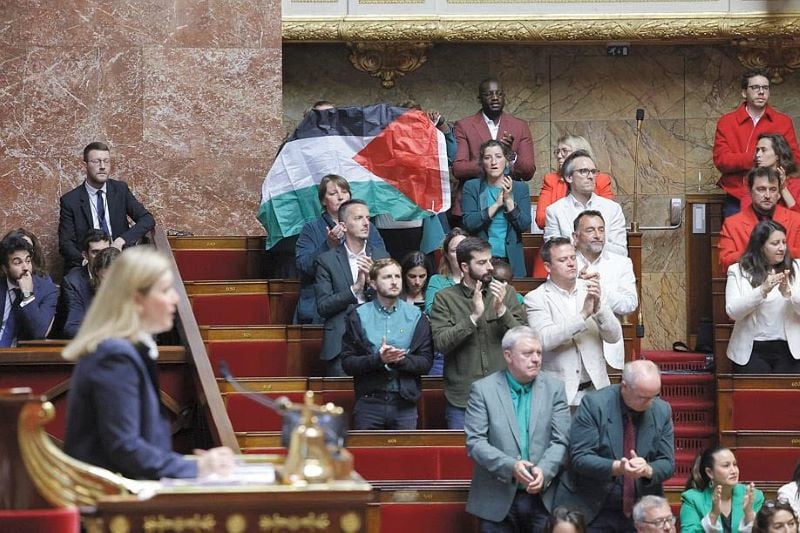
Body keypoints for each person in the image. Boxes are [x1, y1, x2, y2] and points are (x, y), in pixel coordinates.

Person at [62, 247, 235, 480]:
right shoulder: (115, 356)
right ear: (137, 299)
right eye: (165, 291)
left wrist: (189, 464)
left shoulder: (129, 348)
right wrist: (195, 469)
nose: (175, 298)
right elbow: (124, 448)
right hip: (112, 505)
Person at [464, 326, 570, 531]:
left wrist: (544, 471)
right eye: (528, 353)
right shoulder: (483, 390)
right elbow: (475, 443)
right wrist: (511, 466)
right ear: (508, 355)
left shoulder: (554, 388)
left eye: (539, 353)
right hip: (496, 497)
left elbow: (561, 440)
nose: (536, 359)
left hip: (542, 496)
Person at [554, 360, 675, 532]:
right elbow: (580, 457)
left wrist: (647, 469)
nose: (649, 403)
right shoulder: (595, 405)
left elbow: (667, 463)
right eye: (642, 397)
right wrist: (618, 467)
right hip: (592, 504)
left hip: (640, 510)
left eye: (654, 396)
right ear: (624, 386)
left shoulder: (662, 410)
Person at [430, 237, 527, 429]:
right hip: (464, 399)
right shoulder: (444, 299)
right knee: (461, 458)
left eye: (490, 260)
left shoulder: (506, 294)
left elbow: (523, 341)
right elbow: (441, 343)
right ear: (465, 267)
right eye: (482, 263)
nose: (489, 267)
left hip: (505, 394)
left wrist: (501, 312)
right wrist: (473, 317)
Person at [524, 238, 623, 406]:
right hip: (558, 396)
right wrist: (583, 315)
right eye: (563, 260)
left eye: (572, 258)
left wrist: (599, 309)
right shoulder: (535, 298)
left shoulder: (591, 288)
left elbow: (614, 336)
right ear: (548, 267)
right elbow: (544, 340)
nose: (570, 264)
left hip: (597, 391)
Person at [340, 258, 433, 430]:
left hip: (404, 403)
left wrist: (399, 360)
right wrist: (379, 359)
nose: (394, 282)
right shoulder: (357, 315)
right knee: (368, 456)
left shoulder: (417, 316)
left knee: (406, 456)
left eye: (397, 276)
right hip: (369, 401)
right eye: (387, 277)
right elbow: (348, 363)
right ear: (373, 283)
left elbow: (426, 362)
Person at [294, 174, 386, 324]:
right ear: (323, 200)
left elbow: (384, 261)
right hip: (324, 306)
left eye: (344, 192)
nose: (340, 197)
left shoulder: (367, 227)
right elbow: (303, 267)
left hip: (366, 302)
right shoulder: (311, 229)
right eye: (333, 193)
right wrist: (328, 244)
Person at [315, 199, 389, 377]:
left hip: (377, 341)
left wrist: (373, 284)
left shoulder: (381, 257)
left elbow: (394, 301)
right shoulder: (327, 260)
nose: (366, 223)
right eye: (358, 218)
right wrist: (354, 289)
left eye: (368, 218)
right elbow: (323, 307)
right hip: (341, 344)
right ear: (344, 226)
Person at [713, 67, 800, 217]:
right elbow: (721, 160)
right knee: (737, 238)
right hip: (737, 195)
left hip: (774, 197)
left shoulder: (783, 121)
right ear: (744, 92)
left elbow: (794, 158)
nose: (761, 92)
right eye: (755, 87)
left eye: (765, 88)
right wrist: (756, 159)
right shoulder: (727, 122)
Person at [58, 142, 155, 270]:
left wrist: (121, 241)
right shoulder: (70, 200)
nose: (102, 166)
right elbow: (66, 243)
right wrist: (87, 263)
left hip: (120, 263)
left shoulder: (120, 190)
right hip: (88, 267)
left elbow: (147, 219)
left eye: (106, 161)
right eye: (96, 162)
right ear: (85, 166)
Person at [725, 219, 800, 373]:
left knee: (789, 395)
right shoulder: (738, 271)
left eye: (783, 242)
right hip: (751, 349)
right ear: (760, 247)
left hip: (790, 349)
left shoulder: (797, 268)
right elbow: (733, 312)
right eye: (775, 243)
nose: (782, 248)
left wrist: (789, 294)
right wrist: (762, 291)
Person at [572, 210, 637, 368]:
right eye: (590, 230)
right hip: (573, 347)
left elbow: (630, 303)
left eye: (601, 229)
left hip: (609, 351)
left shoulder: (621, 263)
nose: (597, 235)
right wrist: (578, 285)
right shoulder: (565, 263)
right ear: (575, 237)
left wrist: (601, 292)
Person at [462, 139, 533, 277]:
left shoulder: (520, 188)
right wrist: (496, 205)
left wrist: (509, 202)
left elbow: (524, 225)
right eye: (488, 158)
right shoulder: (472, 187)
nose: (493, 162)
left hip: (511, 259)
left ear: (506, 161)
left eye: (498, 157)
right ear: (482, 162)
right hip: (481, 259)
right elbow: (469, 223)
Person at [544, 150, 628, 257]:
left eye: (593, 171)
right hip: (572, 271)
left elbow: (621, 251)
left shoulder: (612, 209)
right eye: (583, 171)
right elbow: (554, 253)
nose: (591, 176)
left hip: (606, 271)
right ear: (569, 177)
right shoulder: (555, 211)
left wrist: (582, 243)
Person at [453, 78, 536, 182]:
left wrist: (509, 154)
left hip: (509, 194)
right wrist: (492, 163)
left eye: (499, 94)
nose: (495, 98)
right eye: (488, 94)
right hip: (476, 194)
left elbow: (528, 172)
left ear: (504, 97)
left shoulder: (520, 126)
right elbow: (459, 169)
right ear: (479, 98)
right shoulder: (464, 126)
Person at [719, 167, 800, 273]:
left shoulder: (795, 219)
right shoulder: (732, 224)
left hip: (788, 282)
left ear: (779, 193)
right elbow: (725, 263)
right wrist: (756, 252)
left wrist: (772, 251)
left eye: (773, 190)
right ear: (750, 191)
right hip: (750, 284)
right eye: (761, 189)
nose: (767, 195)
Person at [535, 134, 615, 230]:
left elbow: (608, 215)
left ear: (579, 153)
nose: (559, 156)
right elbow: (541, 219)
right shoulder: (551, 180)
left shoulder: (601, 180)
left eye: (564, 151)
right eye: (557, 152)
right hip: (561, 239)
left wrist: (561, 216)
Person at [680, 446, 764, 533]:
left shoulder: (753, 497)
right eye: (726, 466)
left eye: (735, 464)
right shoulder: (692, 500)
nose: (734, 471)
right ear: (710, 472)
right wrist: (713, 516)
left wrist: (749, 514)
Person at [0, 234, 59, 347]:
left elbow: (39, 333)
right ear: (5, 268)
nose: (25, 268)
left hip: (23, 358)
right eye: (17, 262)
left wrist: (28, 295)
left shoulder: (47, 289)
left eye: (27, 261)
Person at [57, 229, 110, 339]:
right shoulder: (73, 281)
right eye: (95, 252)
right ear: (85, 255)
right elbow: (72, 328)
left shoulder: (123, 276)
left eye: (105, 251)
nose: (101, 257)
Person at [749, 133, 800, 212]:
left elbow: (798, 217)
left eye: (763, 150)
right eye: (757, 150)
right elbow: (747, 213)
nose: (757, 155)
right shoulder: (754, 181)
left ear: (777, 155)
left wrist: (783, 188)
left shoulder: (796, 184)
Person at [424, 227, 468, 314]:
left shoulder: (482, 277)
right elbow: (432, 310)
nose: (461, 253)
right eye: (455, 250)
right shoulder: (437, 280)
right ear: (447, 255)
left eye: (465, 249)